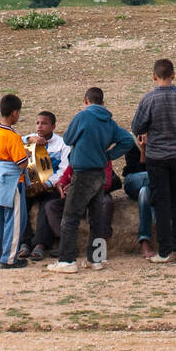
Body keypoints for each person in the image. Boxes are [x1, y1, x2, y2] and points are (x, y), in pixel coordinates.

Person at [47, 87, 133, 274]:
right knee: (97, 218)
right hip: (99, 175)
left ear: (86, 101)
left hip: (83, 173)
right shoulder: (109, 122)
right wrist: (108, 155)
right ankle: (96, 259)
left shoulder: (82, 116)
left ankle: (67, 260)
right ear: (102, 103)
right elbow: (127, 140)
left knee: (70, 217)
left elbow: (68, 138)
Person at [131, 58, 176, 263]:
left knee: (161, 201)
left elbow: (137, 126)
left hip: (157, 157)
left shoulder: (148, 99)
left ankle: (165, 251)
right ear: (173, 75)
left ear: (154, 76)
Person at [33, 158, 118, 261]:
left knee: (106, 203)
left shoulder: (102, 158)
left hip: (97, 194)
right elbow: (64, 180)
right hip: (77, 197)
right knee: (51, 206)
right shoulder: (76, 158)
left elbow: (106, 183)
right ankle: (67, 243)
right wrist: (61, 187)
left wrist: (78, 187)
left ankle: (99, 246)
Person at [0, 94, 29, 269]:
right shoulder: (13, 137)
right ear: (14, 113)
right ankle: (9, 258)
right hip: (13, 180)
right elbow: (22, 163)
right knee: (14, 220)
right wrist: (26, 154)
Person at [19, 110, 69, 261]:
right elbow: (14, 141)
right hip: (31, 186)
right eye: (38, 123)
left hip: (50, 186)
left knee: (47, 207)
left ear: (53, 126)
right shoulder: (30, 139)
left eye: (44, 123)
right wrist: (30, 138)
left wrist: (47, 184)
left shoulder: (62, 144)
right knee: (21, 205)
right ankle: (24, 243)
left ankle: (40, 244)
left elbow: (64, 169)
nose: (40, 127)